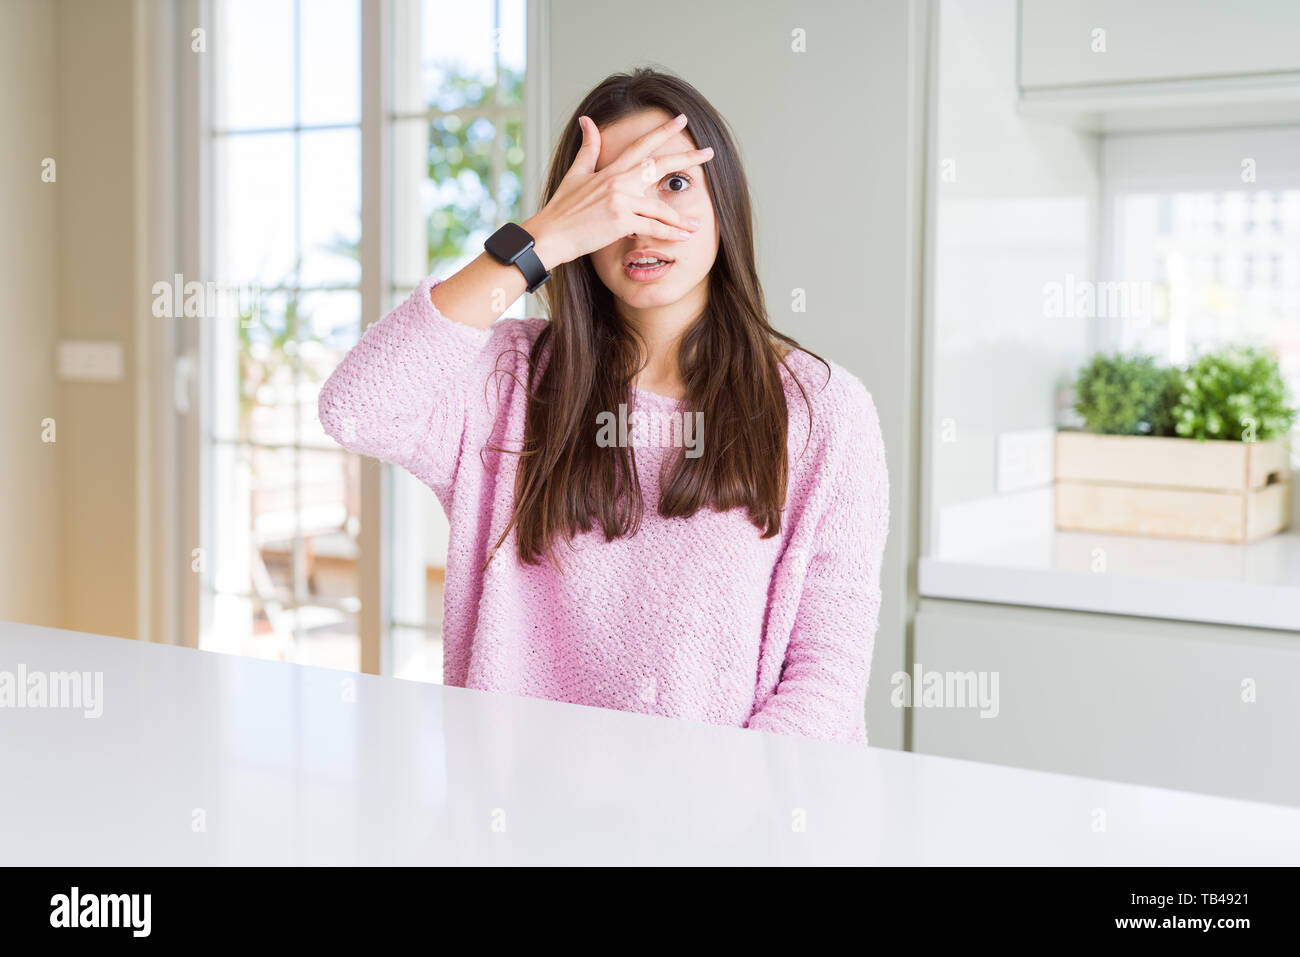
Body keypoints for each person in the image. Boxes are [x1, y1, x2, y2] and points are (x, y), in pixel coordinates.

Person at [319, 68, 889, 744]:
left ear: (723, 202)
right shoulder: (510, 379)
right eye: (608, 193)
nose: (638, 220)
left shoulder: (822, 409)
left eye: (672, 183)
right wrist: (542, 242)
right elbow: (357, 407)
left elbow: (825, 681)